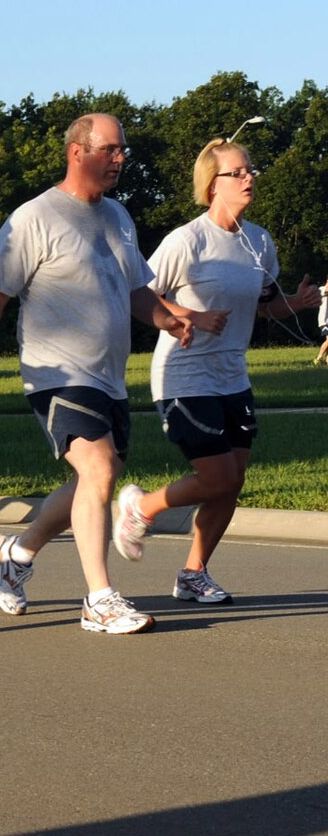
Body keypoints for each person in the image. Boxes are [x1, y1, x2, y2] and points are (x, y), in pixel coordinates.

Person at [0, 113, 224, 635]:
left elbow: (138, 291)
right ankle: (99, 599)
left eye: (123, 151)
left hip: (109, 376)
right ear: (78, 151)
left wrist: (171, 320)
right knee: (98, 471)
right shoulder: (33, 218)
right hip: (57, 373)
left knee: (93, 480)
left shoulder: (119, 217)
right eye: (111, 150)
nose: (121, 159)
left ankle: (17, 552)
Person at [113, 139, 320, 603]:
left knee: (233, 481)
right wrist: (189, 315)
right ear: (212, 184)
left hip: (233, 376)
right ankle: (139, 506)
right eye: (238, 172)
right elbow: (138, 296)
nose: (249, 178)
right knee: (218, 478)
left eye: (251, 171)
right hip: (184, 375)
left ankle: (193, 573)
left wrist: (298, 304)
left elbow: (266, 307)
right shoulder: (186, 241)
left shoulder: (259, 240)